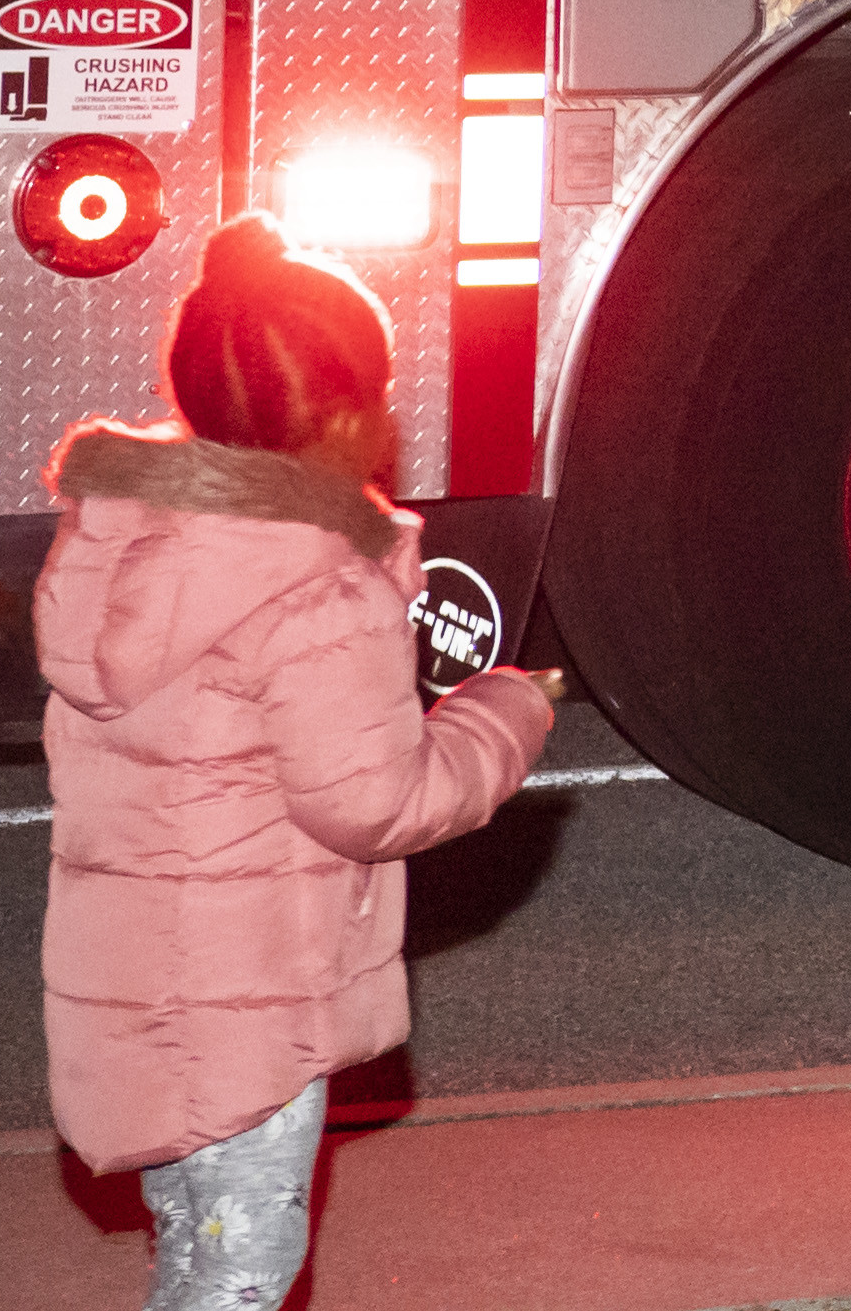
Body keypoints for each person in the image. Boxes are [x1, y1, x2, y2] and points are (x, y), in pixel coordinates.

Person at [42, 220, 558, 1311]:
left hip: (138, 990)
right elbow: (376, 802)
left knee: (192, 1244)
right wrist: (505, 714)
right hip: (251, 1004)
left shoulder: (131, 547)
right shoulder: (316, 590)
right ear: (340, 412)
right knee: (241, 1272)